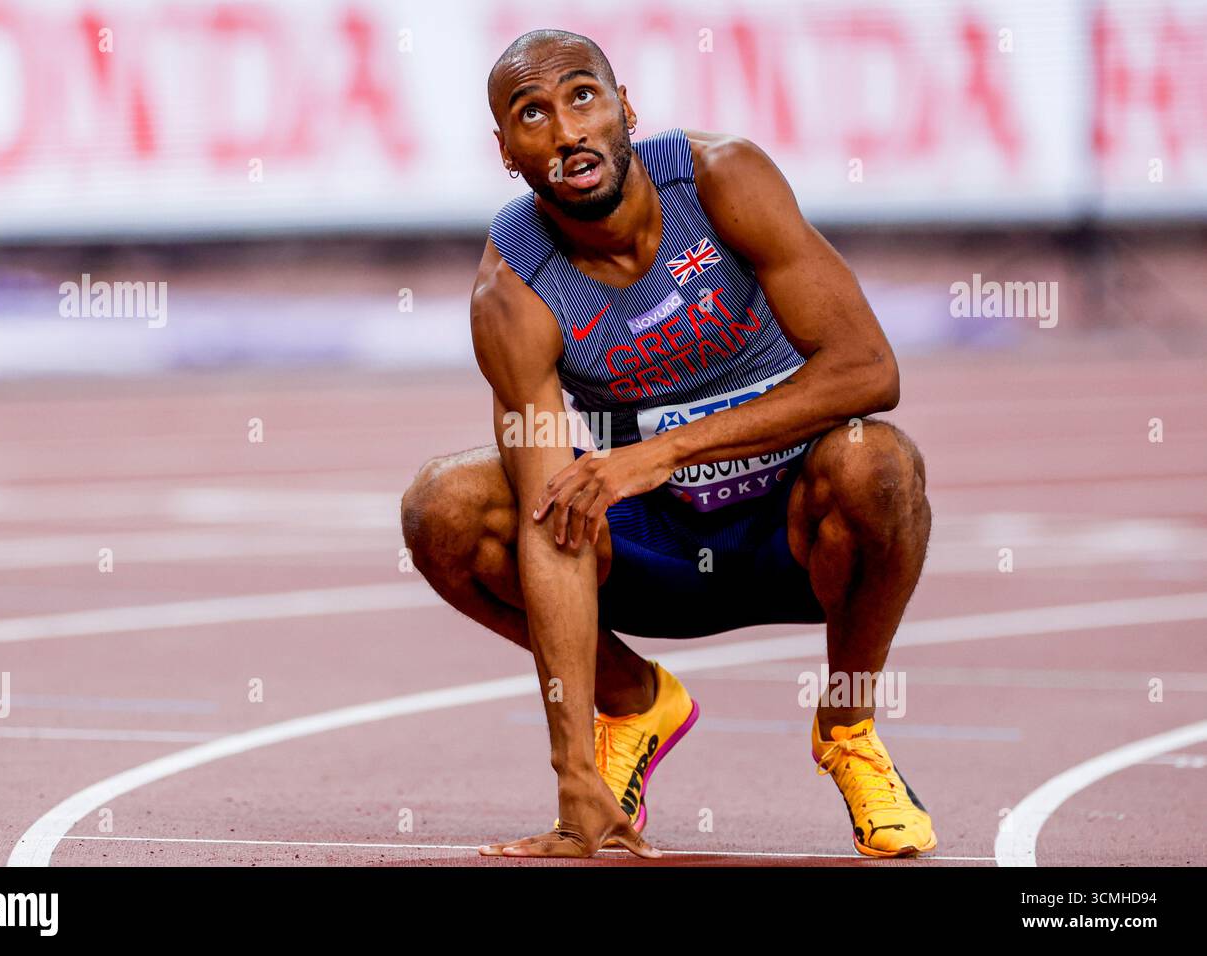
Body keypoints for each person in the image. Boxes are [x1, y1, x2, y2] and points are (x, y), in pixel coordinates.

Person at [400, 29, 936, 859]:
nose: (567, 129)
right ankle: (634, 700)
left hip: (790, 531)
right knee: (446, 509)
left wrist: (662, 449)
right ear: (507, 152)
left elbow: (868, 369)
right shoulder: (512, 292)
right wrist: (571, 772)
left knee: (881, 462)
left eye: (583, 97)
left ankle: (849, 728)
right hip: (656, 553)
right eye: (532, 114)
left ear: (627, 110)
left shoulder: (722, 178)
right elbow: (549, 523)